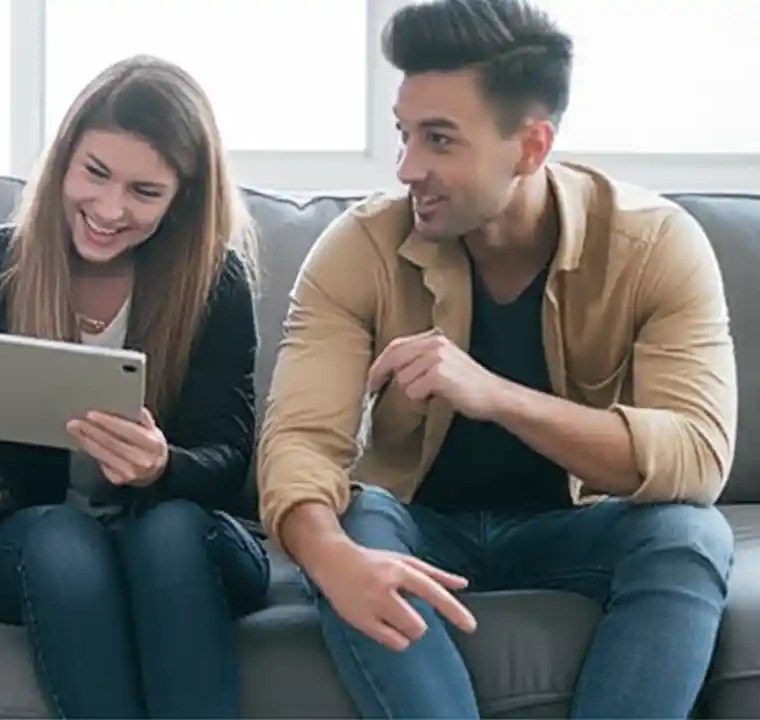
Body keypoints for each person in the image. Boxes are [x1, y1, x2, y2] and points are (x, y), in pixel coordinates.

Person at [258, 1, 737, 717]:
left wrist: (496, 395)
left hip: (570, 531)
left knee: (690, 534)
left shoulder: (654, 245)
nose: (407, 166)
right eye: (404, 133)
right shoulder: (357, 250)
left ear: (531, 146)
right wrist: (332, 563)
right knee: (357, 525)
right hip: (416, 525)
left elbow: (696, 454)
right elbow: (299, 445)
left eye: (440, 141)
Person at [0, 55, 270, 719]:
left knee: (164, 532)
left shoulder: (214, 283)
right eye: (95, 174)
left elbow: (227, 456)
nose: (108, 210)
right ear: (64, 162)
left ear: (182, 199)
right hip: (27, 540)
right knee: (64, 541)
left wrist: (164, 466)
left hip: (173, 539)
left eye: (144, 192)